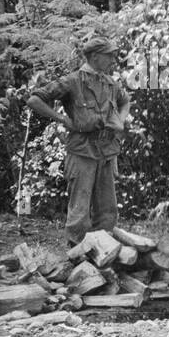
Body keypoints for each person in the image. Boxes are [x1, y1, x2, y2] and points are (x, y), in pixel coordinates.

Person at [27, 35, 131, 247]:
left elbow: (125, 100)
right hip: (82, 151)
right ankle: (77, 255)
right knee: (80, 210)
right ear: (94, 57)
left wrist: (119, 122)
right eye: (108, 55)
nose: (113, 60)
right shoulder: (72, 81)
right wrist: (63, 119)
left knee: (107, 209)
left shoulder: (109, 83)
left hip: (107, 152)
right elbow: (34, 99)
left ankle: (104, 252)